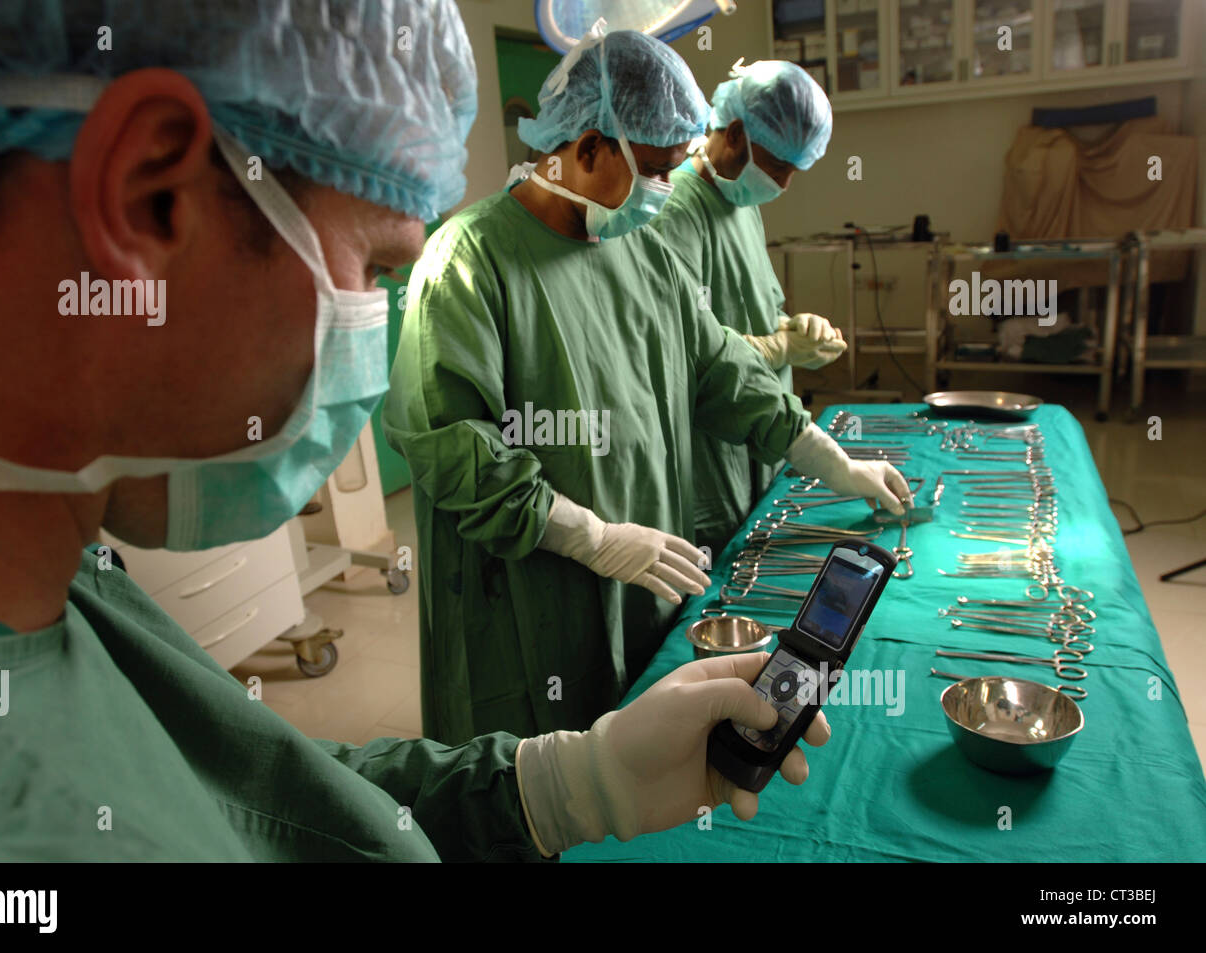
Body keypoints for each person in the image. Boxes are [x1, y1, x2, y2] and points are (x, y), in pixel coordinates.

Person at [0, 0, 829, 863]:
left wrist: (565, 786)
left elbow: (288, 804)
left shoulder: (76, 602)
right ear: (150, 192)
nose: (373, 318)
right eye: (374, 266)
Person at [383, 25, 908, 747]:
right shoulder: (467, 261)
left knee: (639, 763)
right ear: (588, 146)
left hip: (644, 575)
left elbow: (721, 365)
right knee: (534, 792)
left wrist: (832, 460)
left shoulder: (641, 250)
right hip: (530, 599)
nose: (666, 190)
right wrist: (590, 536)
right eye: (656, 169)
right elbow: (449, 445)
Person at [651, 59, 848, 557]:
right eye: (778, 167)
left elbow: (752, 305)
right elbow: (684, 352)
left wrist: (795, 330)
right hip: (713, 454)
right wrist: (779, 347)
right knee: (721, 585)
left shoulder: (741, 201)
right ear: (735, 132)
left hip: (763, 437)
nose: (783, 185)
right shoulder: (675, 209)